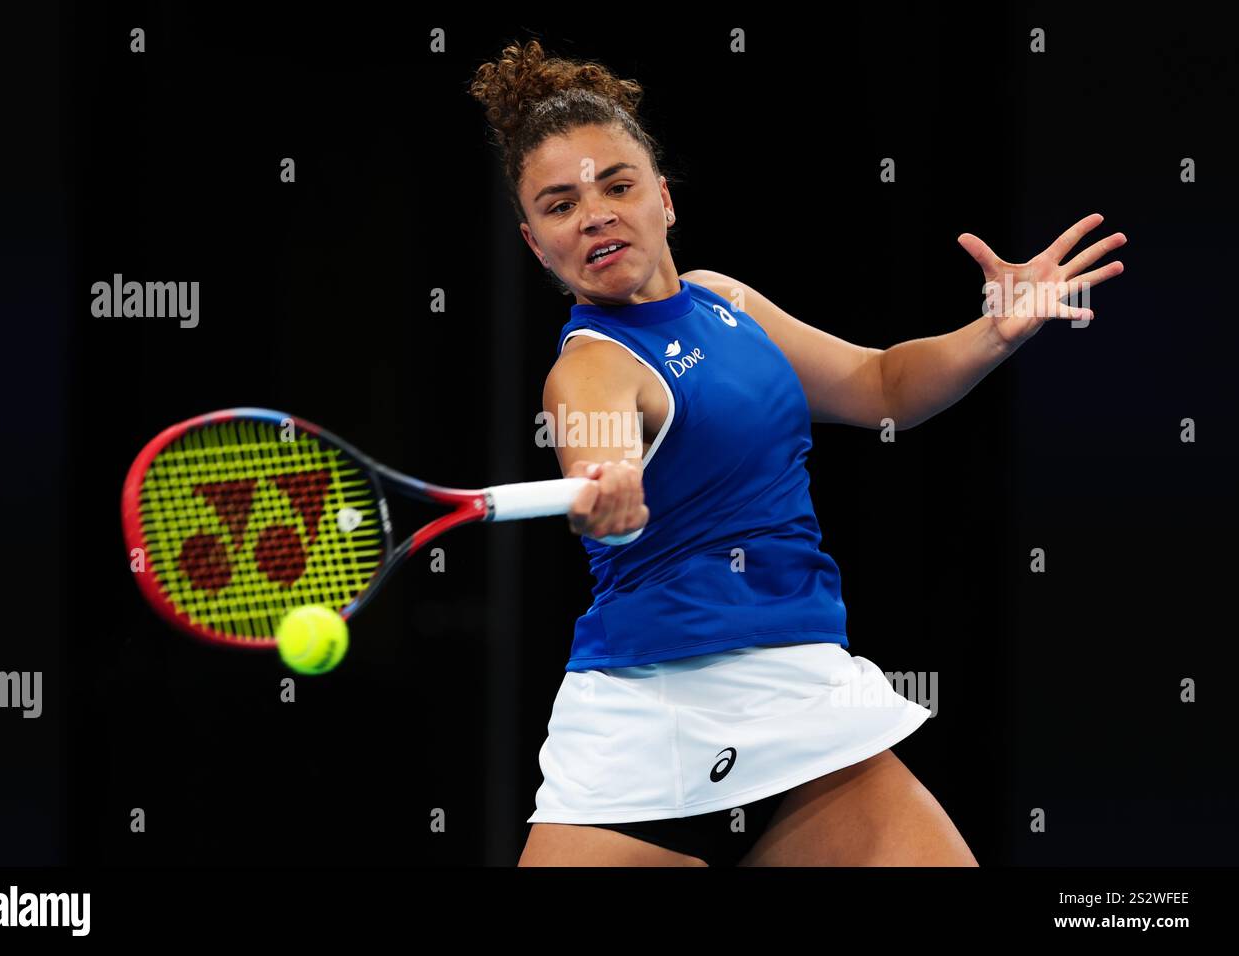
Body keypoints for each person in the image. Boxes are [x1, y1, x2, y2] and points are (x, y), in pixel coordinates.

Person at [468, 39, 1124, 867]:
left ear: (663, 199)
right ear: (536, 244)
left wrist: (991, 333)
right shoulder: (589, 366)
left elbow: (883, 386)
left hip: (802, 702)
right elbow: (598, 451)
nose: (595, 212)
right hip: (647, 729)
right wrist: (609, 486)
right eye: (559, 205)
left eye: (618, 185)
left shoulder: (725, 301)